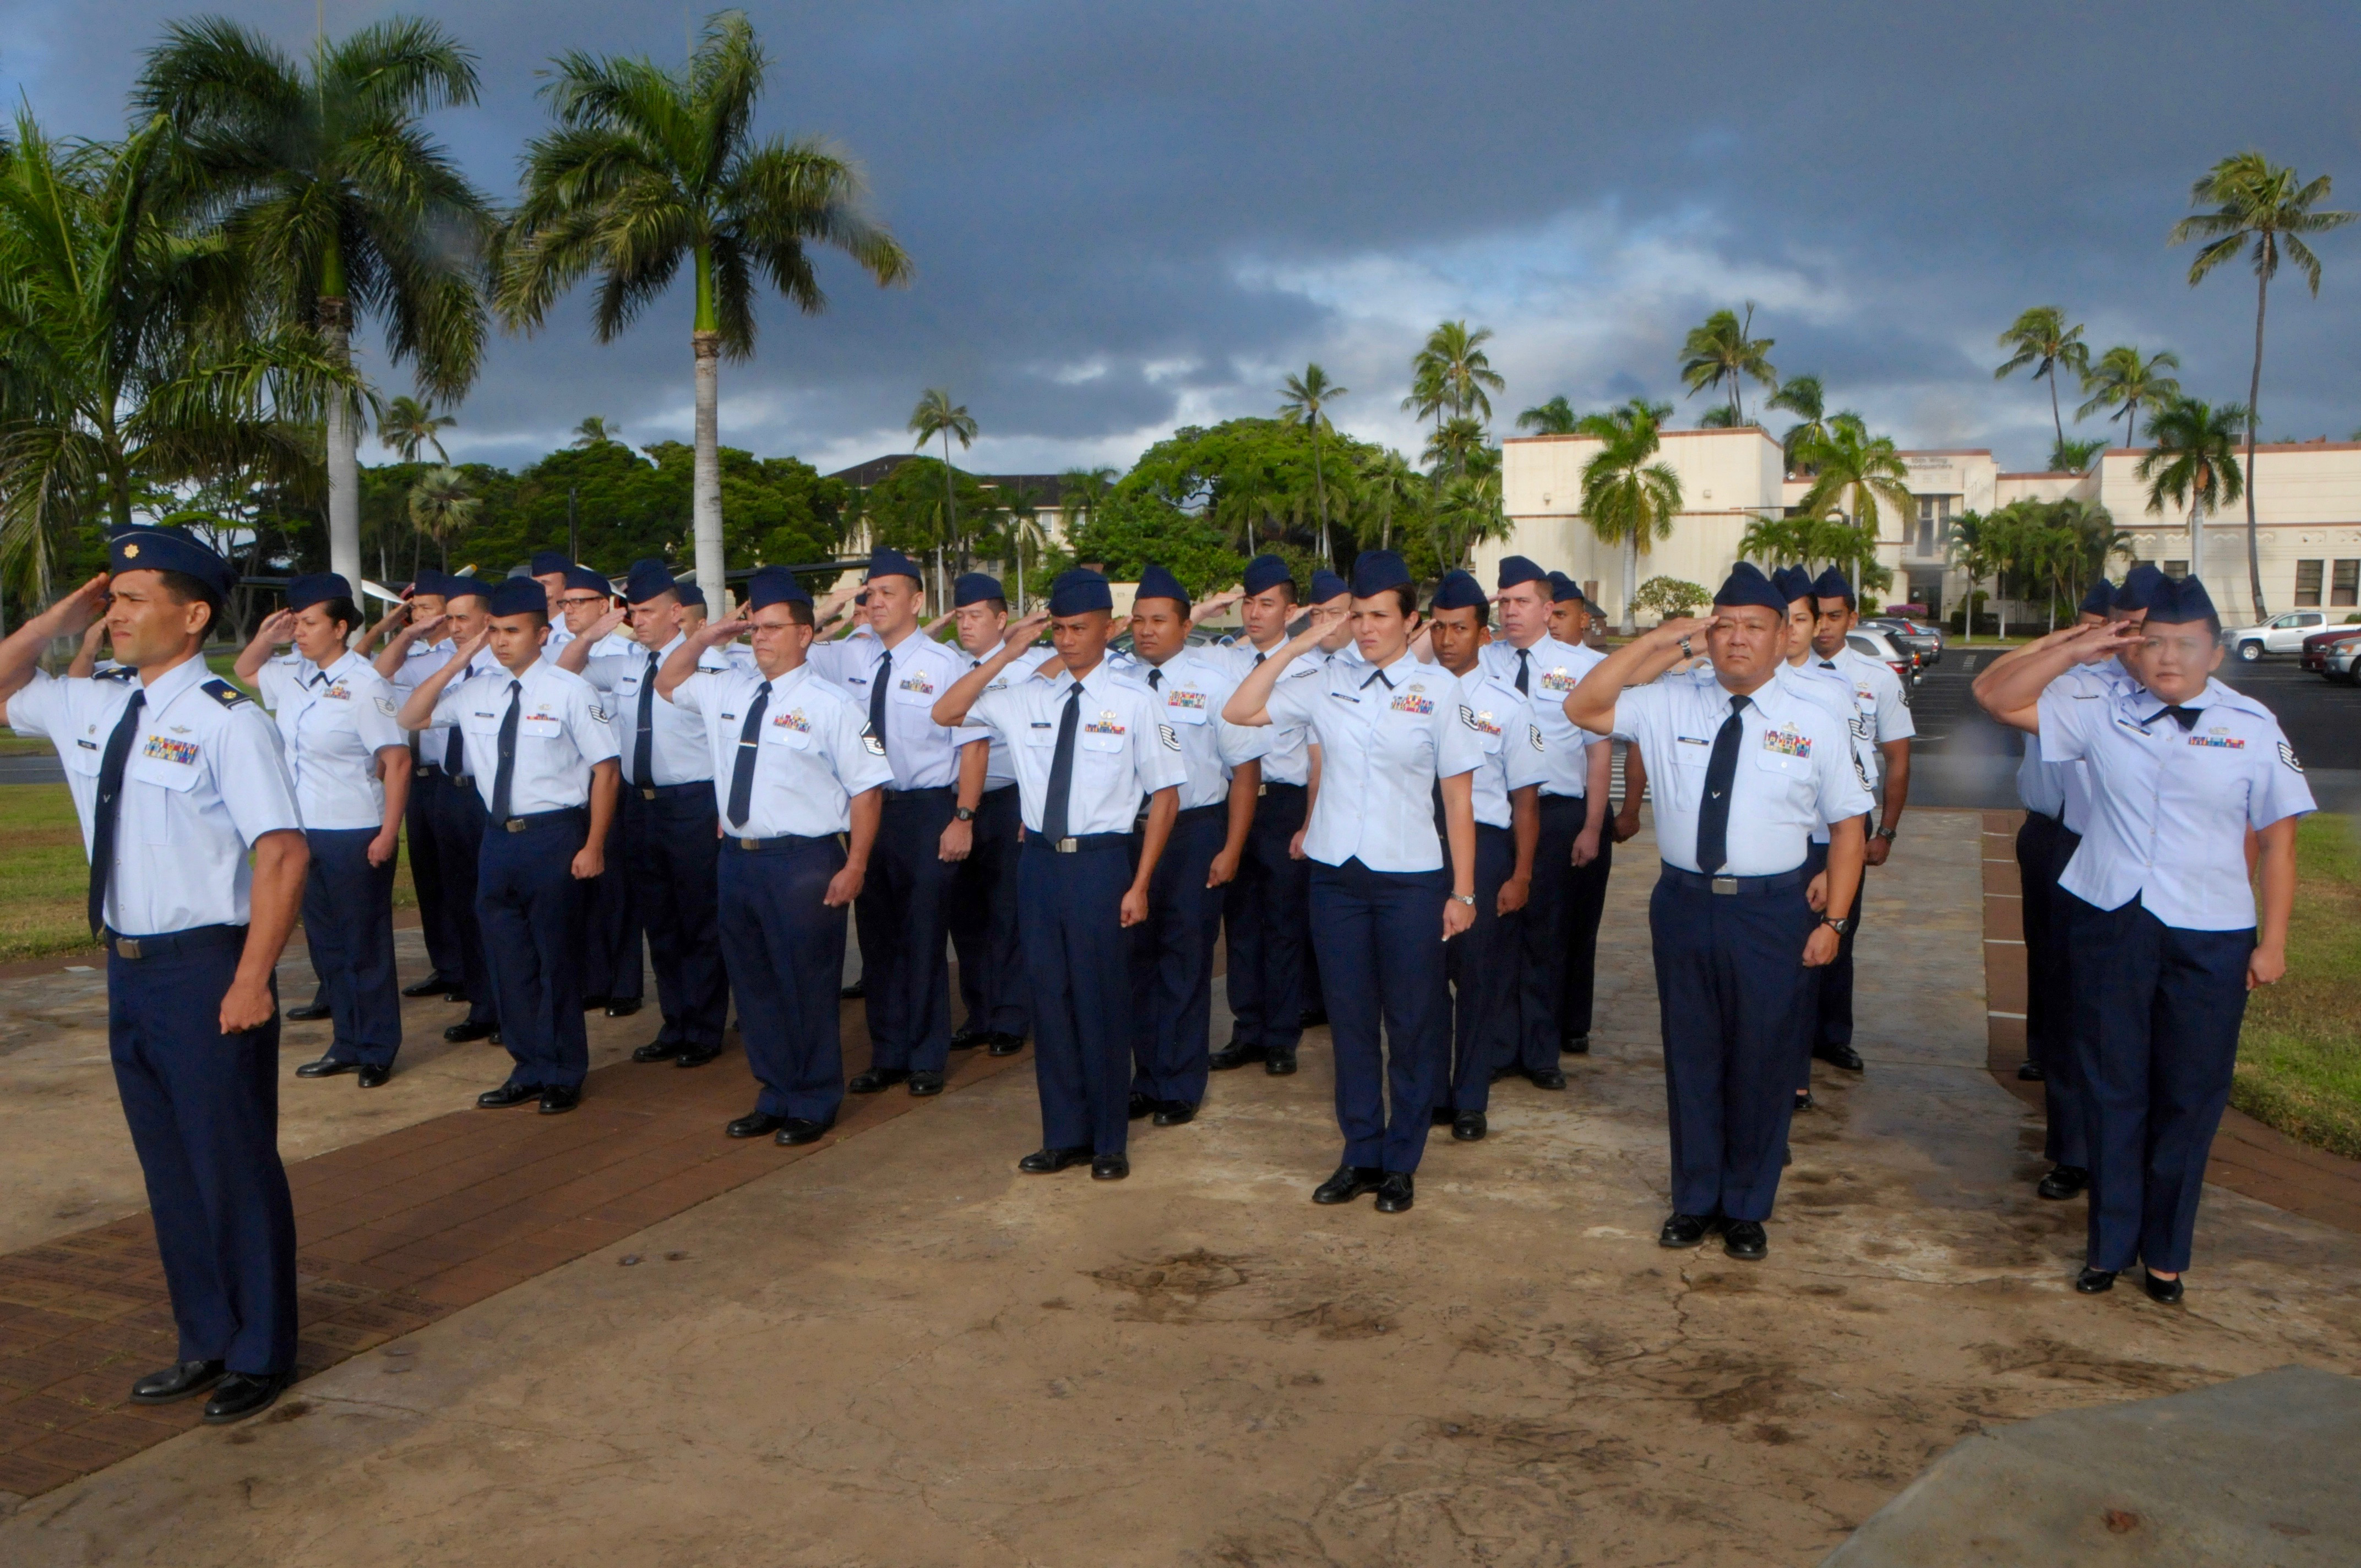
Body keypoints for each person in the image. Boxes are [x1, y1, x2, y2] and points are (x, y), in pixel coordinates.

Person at [0, 529, 309, 1423]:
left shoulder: (226, 719)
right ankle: (205, 1338)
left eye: (135, 597)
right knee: (171, 1170)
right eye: (113, 595)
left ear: (195, 614)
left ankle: (262, 1349)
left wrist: (254, 977)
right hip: (129, 970)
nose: (118, 611)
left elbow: (283, 855)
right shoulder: (88, 705)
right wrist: (61, 615)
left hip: (209, 965)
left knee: (232, 1165)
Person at [1975, 575, 2308, 1303]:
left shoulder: (2254, 726)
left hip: (2211, 931)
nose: (2168, 660)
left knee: (2190, 1093)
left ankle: (2166, 1253)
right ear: (2134, 648)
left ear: (2215, 654)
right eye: (2154, 644)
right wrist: (2079, 644)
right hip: (2112, 919)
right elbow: (1997, 697)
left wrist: (2272, 942)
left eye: (2185, 646)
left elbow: (2279, 846)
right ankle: (2109, 1245)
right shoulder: (2098, 710)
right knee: (2109, 1083)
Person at [1563, 563, 1870, 1261]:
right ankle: (1695, 1199)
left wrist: (1835, 922)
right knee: (1692, 1056)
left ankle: (1746, 1206)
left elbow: (1850, 825)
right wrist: (1669, 640)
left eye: (1753, 627)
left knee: (1761, 1061)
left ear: (1780, 636)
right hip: (1682, 904)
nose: (1736, 640)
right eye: (1723, 625)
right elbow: (1583, 706)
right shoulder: (1670, 700)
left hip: (1772, 913)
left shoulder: (1813, 718)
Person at [1225, 551, 1482, 1213]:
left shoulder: (1441, 692)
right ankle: (1359, 1151)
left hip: (1410, 879)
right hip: (1336, 876)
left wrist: (1464, 891)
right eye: (1354, 615)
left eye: (1377, 616)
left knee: (1412, 1021)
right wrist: (1305, 639)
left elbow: (1457, 800)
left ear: (1410, 621)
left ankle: (1402, 1160)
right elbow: (1242, 709)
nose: (1365, 629)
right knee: (1350, 1022)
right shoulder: (1322, 679)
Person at [932, 569, 1184, 1180]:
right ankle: (1062, 1134)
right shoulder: (1026, 698)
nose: (1068, 640)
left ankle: (1108, 1141)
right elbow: (947, 710)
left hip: (1102, 863)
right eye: (1060, 629)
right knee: (1051, 1000)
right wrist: (1009, 656)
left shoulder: (1134, 703)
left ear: (1109, 629)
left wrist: (1140, 882)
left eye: (1079, 628)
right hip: (1040, 865)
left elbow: (1166, 796)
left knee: (1101, 1000)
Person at [658, 567, 891, 1143]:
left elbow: (868, 787)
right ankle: (775, 1091)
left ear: (806, 634)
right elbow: (667, 681)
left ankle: (813, 1097)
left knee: (806, 985)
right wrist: (708, 636)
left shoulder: (832, 703)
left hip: (803, 861)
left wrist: (856, 864)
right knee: (755, 984)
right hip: (739, 858)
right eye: (753, 626)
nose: (758, 636)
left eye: (771, 627)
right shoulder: (729, 687)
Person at [398, 576, 622, 1114]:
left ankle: (565, 1070)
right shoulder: (476, 691)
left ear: (543, 634)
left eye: (512, 631)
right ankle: (528, 1066)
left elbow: (607, 771)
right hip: (497, 840)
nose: (500, 641)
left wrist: (594, 845)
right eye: (493, 631)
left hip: (554, 837)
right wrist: (456, 662)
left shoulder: (570, 689)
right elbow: (409, 717)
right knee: (509, 960)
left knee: (556, 960)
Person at [809, 547, 988, 1097]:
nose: (876, 601)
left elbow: (974, 745)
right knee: (879, 938)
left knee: (924, 936)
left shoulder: (945, 665)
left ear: (918, 600)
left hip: (925, 810)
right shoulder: (850, 656)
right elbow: (799, 644)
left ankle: (926, 1055)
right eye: (870, 593)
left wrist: (963, 816)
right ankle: (887, 1053)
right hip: (869, 812)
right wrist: (833, 606)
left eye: (888, 592)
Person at [235, 574, 411, 1087]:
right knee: (328, 946)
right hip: (304, 832)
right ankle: (346, 1043)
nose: (301, 632)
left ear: (340, 627)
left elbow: (395, 763)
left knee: (365, 947)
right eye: (297, 622)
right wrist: (270, 636)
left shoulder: (365, 684)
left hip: (355, 829)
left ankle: (378, 1047)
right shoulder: (292, 672)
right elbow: (246, 669)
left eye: (309, 623)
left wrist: (387, 833)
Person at [560, 559, 730, 1068]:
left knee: (699, 920)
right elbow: (563, 673)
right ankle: (675, 1022)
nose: (639, 619)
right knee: (660, 920)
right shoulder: (629, 663)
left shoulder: (710, 665)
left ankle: (703, 1027)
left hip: (694, 805)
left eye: (649, 610)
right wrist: (591, 633)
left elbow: (725, 744)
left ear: (678, 613)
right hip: (642, 806)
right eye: (632, 611)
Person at [1112, 564, 1266, 1125]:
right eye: (1139, 620)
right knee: (1135, 962)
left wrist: (1230, 847)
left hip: (1195, 832)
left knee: (1184, 959)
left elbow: (1245, 771)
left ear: (1185, 627)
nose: (1146, 630)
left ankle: (1179, 1083)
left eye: (1159, 621)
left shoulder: (1213, 683)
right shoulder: (1116, 682)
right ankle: (1144, 1077)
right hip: (1129, 835)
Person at [1424, 570, 1544, 1141]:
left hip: (1487, 848)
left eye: (1460, 629)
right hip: (1420, 849)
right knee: (1420, 978)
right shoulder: (1409, 694)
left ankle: (1469, 1096)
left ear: (1483, 634)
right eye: (1440, 628)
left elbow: (1525, 802)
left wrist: (1520, 873)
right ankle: (1428, 1091)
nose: (1448, 640)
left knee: (1478, 980)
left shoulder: (1509, 705)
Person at [1481, 556, 1612, 1078]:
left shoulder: (1582, 668)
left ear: (1548, 606)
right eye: (1504, 602)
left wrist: (1593, 826)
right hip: (1496, 815)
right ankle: (1496, 1047)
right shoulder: (1482, 662)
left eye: (1522, 602)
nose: (1511, 613)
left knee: (1546, 936)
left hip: (1557, 813)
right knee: (1494, 938)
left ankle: (1540, 1052)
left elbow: (1598, 753)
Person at [380, 573, 505, 1043]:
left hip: (490, 795)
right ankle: (483, 1003)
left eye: (461, 618)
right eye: (448, 619)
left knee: (498, 905)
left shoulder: (507, 667)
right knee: (462, 900)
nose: (453, 627)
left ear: (488, 620)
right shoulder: (439, 665)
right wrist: (442, 656)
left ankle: (512, 1003)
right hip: (450, 792)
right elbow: (389, 686)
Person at [1803, 567, 1915, 1075]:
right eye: (1816, 617)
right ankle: (1792, 1036)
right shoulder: (1784, 676)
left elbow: (1897, 758)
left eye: (1834, 617)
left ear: (1852, 618)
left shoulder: (1875, 679)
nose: (1824, 627)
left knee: (1840, 931)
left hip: (1848, 824)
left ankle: (1831, 1036)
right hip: (1792, 827)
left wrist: (1886, 831)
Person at [1209, 555, 1316, 1076]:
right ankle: (1246, 1029)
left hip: (1285, 805)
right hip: (1235, 803)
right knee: (1242, 921)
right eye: (1249, 602)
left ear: (1291, 611)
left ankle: (1281, 1034)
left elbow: (1321, 756)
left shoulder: (1310, 668)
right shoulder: (1223, 661)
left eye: (1266, 604)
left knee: (1284, 922)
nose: (1254, 613)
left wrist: (1309, 822)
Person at [945, 572, 1043, 1057]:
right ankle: (979, 1012)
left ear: (1002, 620)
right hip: (958, 803)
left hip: (1008, 802)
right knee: (967, 917)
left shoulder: (1031, 669)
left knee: (1007, 914)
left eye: (976, 616)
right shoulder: (954, 669)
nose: (965, 625)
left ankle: (1010, 1015)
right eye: (960, 616)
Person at [552, 564, 644, 1017]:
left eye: (580, 602)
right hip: (574, 782)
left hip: (616, 779)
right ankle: (594, 978)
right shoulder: (564, 649)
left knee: (617, 886)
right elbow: (559, 681)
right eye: (565, 602)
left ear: (605, 605)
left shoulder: (625, 651)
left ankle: (625, 984)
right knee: (583, 885)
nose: (569, 610)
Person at [376, 579, 466, 1004]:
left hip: (456, 779)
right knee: (429, 877)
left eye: (427, 608)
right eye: (413, 610)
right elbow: (377, 674)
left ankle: (473, 969)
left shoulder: (465, 656)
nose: (419, 617)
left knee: (460, 877)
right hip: (418, 778)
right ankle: (446, 967)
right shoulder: (409, 656)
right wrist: (402, 632)